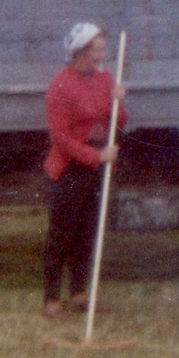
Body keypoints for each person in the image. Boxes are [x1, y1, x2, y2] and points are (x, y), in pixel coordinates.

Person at [41, 23, 128, 319]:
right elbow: (60, 138)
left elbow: (119, 121)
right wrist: (96, 155)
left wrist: (119, 99)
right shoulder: (60, 84)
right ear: (79, 51)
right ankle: (51, 299)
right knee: (62, 234)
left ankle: (79, 294)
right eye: (96, 50)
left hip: (98, 166)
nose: (101, 56)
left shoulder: (105, 78)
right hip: (70, 167)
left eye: (103, 49)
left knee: (87, 232)